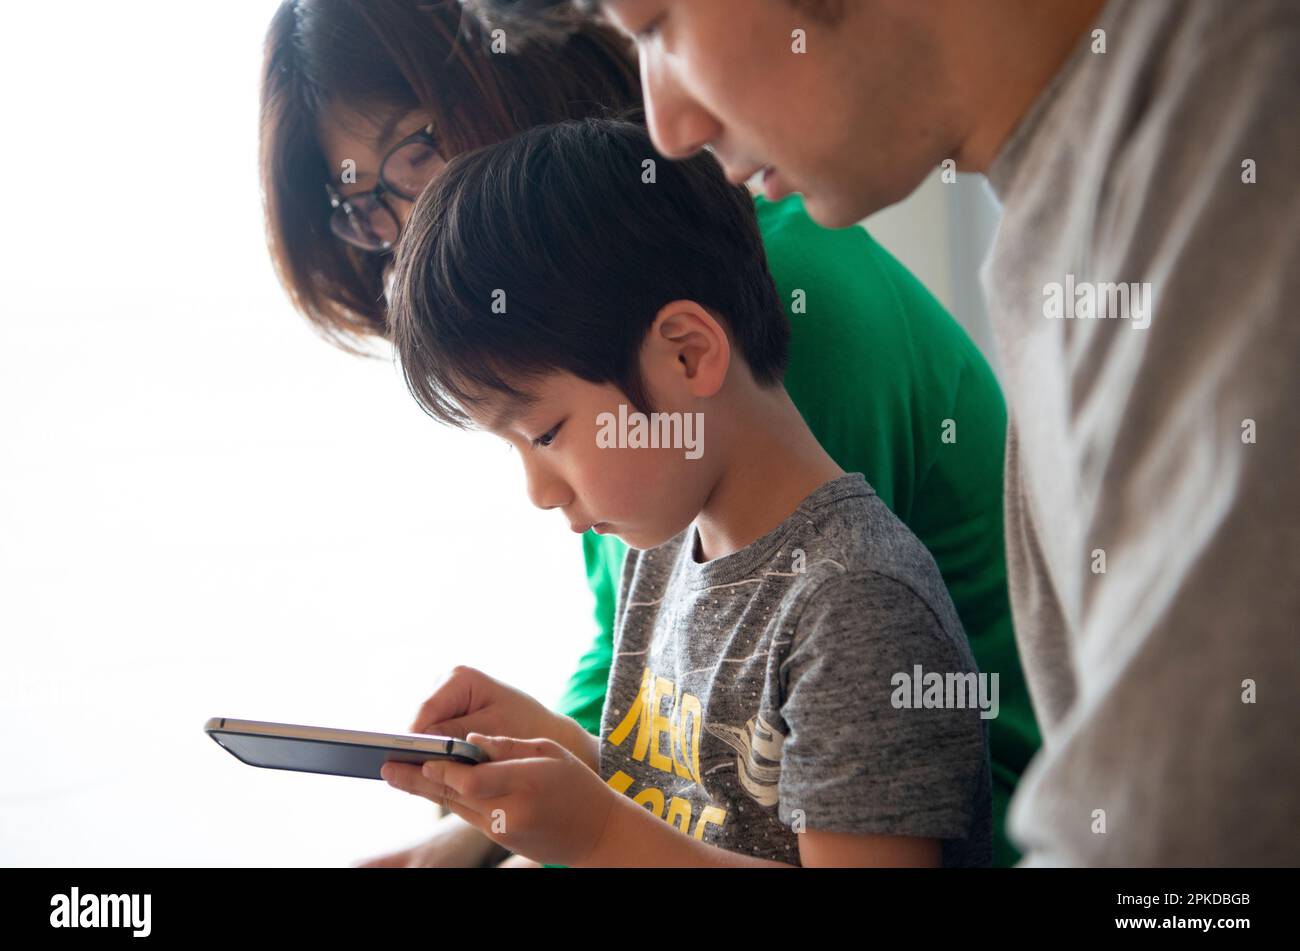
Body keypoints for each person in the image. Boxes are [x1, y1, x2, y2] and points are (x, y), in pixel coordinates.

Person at [469, 0, 1300, 865]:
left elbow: (1194, 877)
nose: (669, 128)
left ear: (689, 355)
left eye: (657, 26)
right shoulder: (1058, 221)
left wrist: (602, 831)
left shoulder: (1239, 145)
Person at [258, 0, 1037, 866]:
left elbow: (796, 801)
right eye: (356, 201)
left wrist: (587, 831)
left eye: (411, 150)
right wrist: (534, 782)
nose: (403, 223)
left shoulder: (840, 573)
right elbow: (705, 776)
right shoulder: (673, 510)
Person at [376, 116, 993, 866]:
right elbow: (704, 808)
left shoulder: (856, 602)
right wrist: (561, 751)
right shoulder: (669, 550)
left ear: (688, 353)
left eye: (544, 434)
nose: (538, 490)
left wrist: (598, 832)